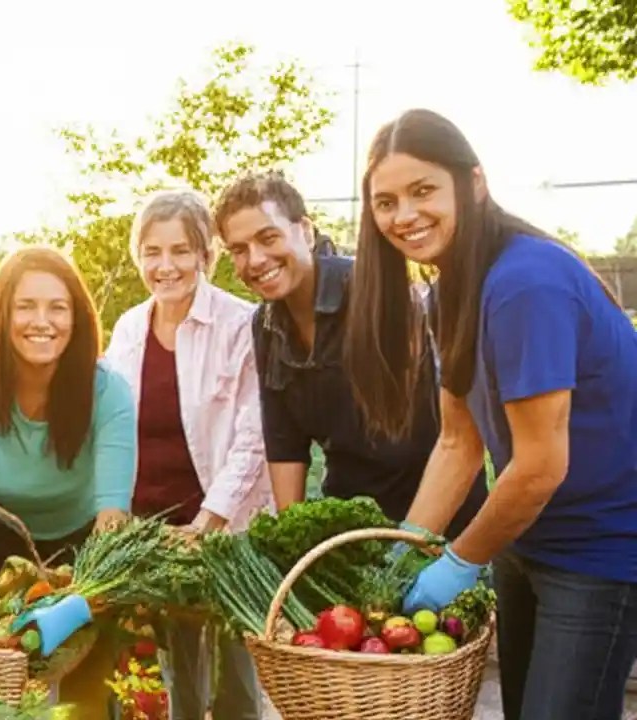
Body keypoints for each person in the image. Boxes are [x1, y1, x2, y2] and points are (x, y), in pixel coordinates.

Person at [343, 108, 637, 720]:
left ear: (472, 183)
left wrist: (457, 562)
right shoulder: (448, 293)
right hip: (526, 539)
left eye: (423, 191)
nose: (404, 215)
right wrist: (409, 548)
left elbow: (539, 466)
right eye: (386, 201)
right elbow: (458, 442)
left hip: (601, 549)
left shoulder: (526, 282)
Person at [213, 170, 487, 538]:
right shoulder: (264, 325)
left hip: (435, 515)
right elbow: (285, 446)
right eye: (239, 250)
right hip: (350, 521)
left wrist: (410, 547)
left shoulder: (373, 293)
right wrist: (294, 542)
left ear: (306, 231)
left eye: (268, 237)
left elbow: (435, 434)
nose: (256, 259)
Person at [0, 245, 137, 714]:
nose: (41, 321)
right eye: (25, 306)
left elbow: (113, 512)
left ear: (77, 318)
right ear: (2, 316)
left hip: (87, 544)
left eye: (57, 307)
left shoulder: (108, 391)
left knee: (84, 694)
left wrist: (78, 602)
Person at [104, 189, 270, 720]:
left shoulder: (242, 324)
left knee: (234, 674)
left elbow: (254, 434)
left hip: (221, 527)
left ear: (205, 255)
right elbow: (109, 423)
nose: (165, 265)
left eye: (180, 251)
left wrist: (208, 522)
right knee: (168, 676)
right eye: (152, 251)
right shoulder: (130, 327)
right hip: (150, 528)